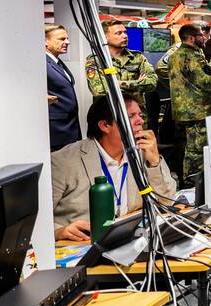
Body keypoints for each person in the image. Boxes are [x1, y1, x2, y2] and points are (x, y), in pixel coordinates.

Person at [51, 94, 177, 242]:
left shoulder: (141, 154)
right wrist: (58, 232)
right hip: (80, 247)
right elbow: (36, 221)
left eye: (140, 115)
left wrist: (155, 162)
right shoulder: (64, 161)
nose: (141, 121)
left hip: (128, 241)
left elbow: (166, 202)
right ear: (105, 125)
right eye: (131, 116)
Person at [168, 23, 211, 186]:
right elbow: (204, 81)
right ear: (191, 38)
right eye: (200, 35)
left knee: (183, 148)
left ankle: (184, 181)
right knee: (196, 151)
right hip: (197, 111)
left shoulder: (174, 55)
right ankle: (193, 185)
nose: (203, 37)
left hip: (181, 111)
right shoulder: (192, 55)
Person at [84, 18, 158, 113]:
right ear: (105, 37)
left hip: (137, 115)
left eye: (125, 32)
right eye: (118, 33)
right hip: (111, 116)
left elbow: (152, 82)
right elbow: (99, 89)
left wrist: (118, 83)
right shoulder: (96, 61)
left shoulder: (138, 57)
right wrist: (137, 83)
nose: (125, 36)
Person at [45, 23, 81, 151]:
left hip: (69, 128)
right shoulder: (41, 62)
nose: (68, 42)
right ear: (45, 42)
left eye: (67, 38)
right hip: (56, 131)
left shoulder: (57, 62)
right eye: (62, 39)